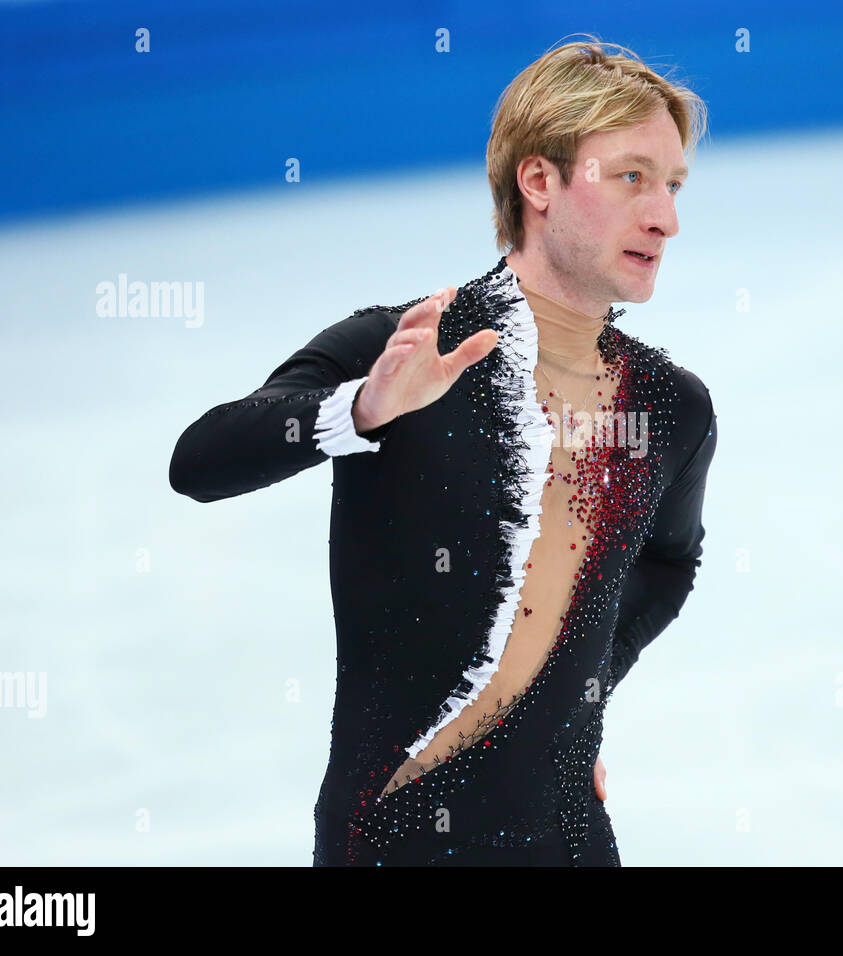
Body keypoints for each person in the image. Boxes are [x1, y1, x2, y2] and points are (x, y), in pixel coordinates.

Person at [169, 34, 717, 866]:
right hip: (390, 838)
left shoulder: (670, 408)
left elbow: (670, 564)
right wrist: (363, 408)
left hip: (569, 841)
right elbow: (199, 460)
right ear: (540, 181)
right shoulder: (406, 349)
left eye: (673, 184)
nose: (666, 217)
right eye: (633, 176)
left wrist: (567, 702)